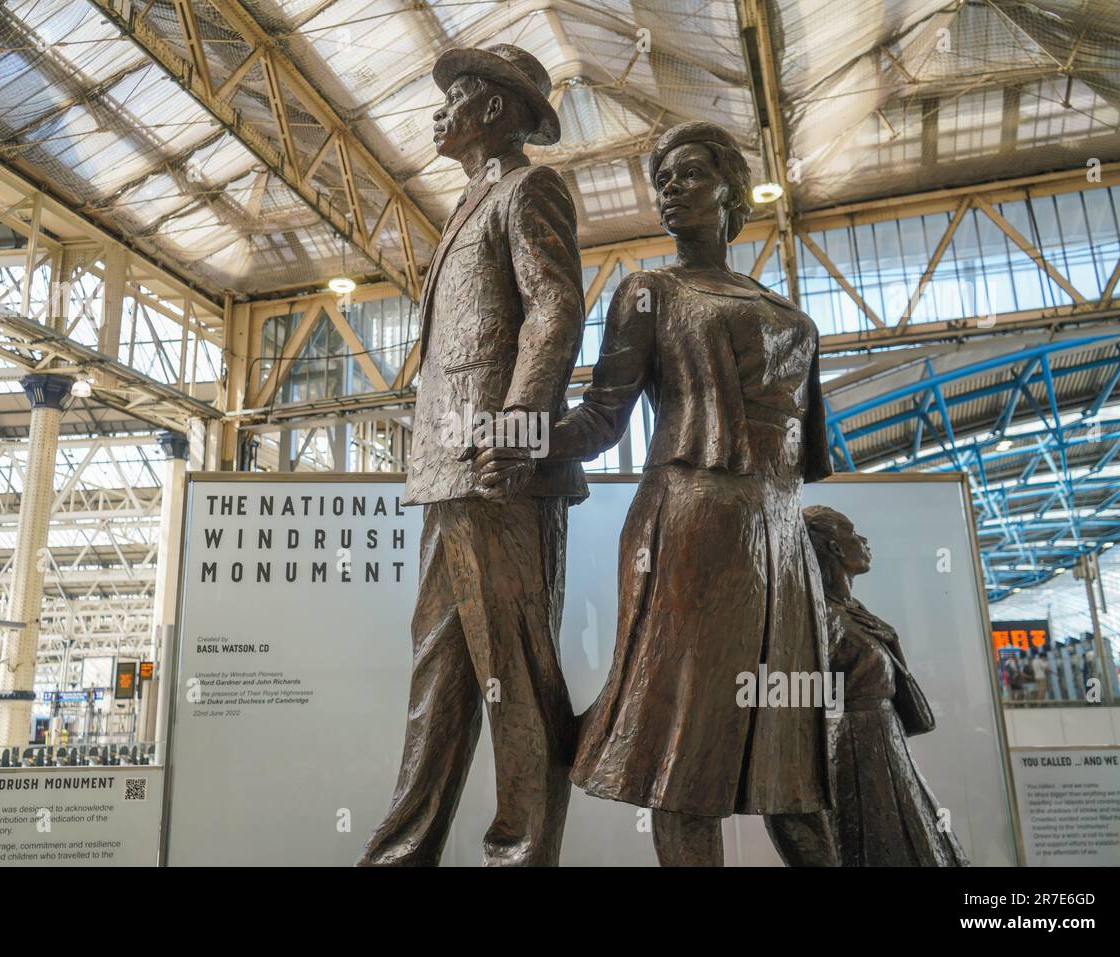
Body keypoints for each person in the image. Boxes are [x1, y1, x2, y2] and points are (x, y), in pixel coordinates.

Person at [479, 120, 835, 866]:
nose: (671, 189)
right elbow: (602, 418)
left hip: (780, 540)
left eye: (691, 174)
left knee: (790, 758)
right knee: (685, 759)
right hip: (689, 528)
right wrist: (516, 438)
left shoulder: (792, 315)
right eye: (663, 180)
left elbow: (807, 459)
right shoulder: (647, 293)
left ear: (732, 191)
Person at [360, 44, 587, 867]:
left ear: (494, 108)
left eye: (454, 97)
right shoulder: (471, 201)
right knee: (440, 678)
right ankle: (402, 852)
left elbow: (555, 309)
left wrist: (520, 431)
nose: (438, 111)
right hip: (452, 472)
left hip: (500, 471)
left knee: (517, 680)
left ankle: (521, 854)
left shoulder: (530, 188)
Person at [802, 506, 969, 866]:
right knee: (875, 838)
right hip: (854, 745)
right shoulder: (823, 616)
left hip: (881, 738)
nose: (863, 541)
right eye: (853, 532)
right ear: (834, 547)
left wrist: (892, 643)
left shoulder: (854, 612)